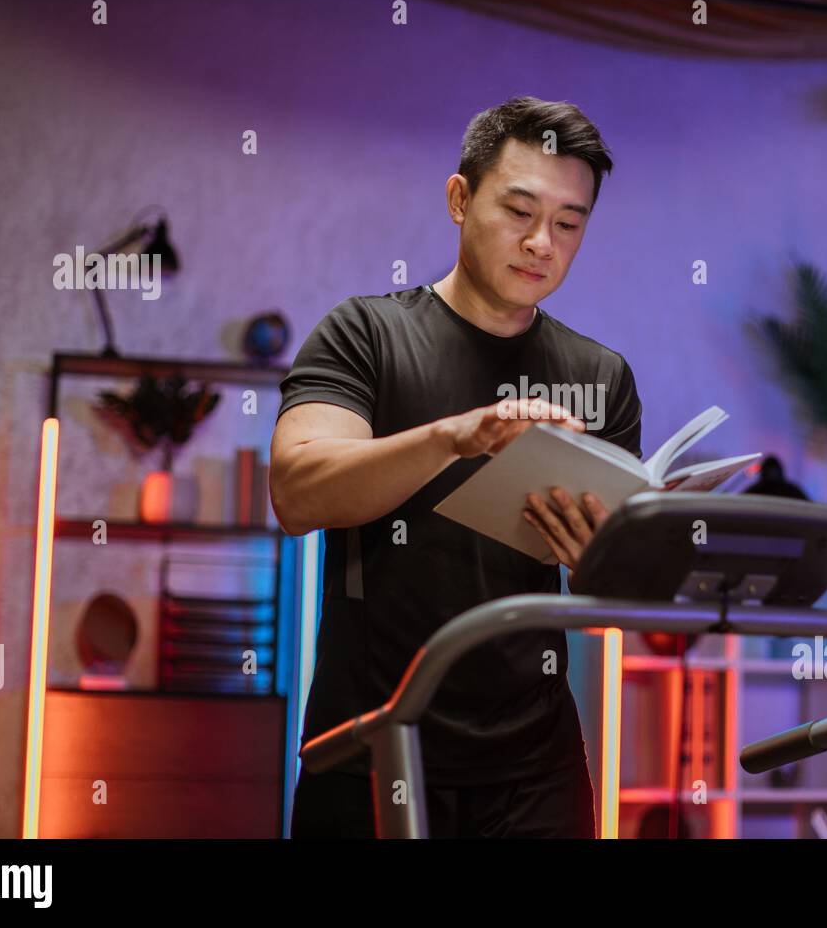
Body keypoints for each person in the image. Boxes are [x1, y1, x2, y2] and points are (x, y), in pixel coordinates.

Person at [270, 96, 641, 838]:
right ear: (459, 198)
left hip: (536, 766)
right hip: (374, 744)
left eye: (569, 224)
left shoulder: (599, 375)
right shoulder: (365, 335)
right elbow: (298, 491)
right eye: (520, 211)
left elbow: (616, 595)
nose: (542, 242)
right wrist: (454, 437)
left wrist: (613, 560)